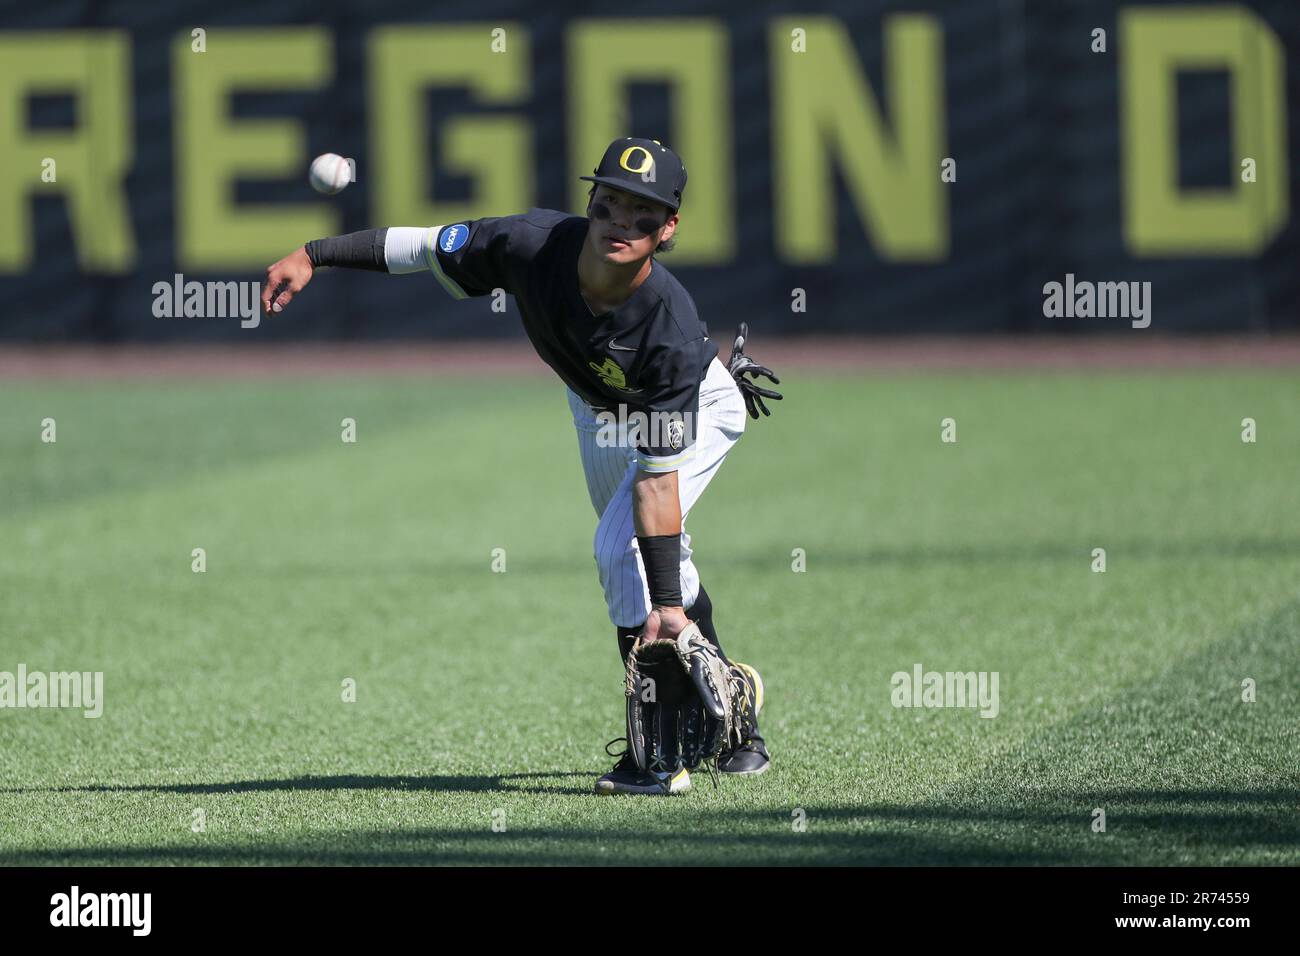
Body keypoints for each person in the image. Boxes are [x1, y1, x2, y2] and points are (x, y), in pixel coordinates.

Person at [262, 137, 783, 794]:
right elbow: (422, 247)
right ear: (589, 203)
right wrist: (314, 255)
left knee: (627, 549)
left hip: (690, 405)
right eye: (610, 204)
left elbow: (656, 485)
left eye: (642, 213)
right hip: (595, 405)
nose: (621, 223)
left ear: (668, 228)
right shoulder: (529, 244)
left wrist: (671, 611)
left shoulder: (667, 330)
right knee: (651, 562)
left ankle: (655, 759)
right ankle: (736, 714)